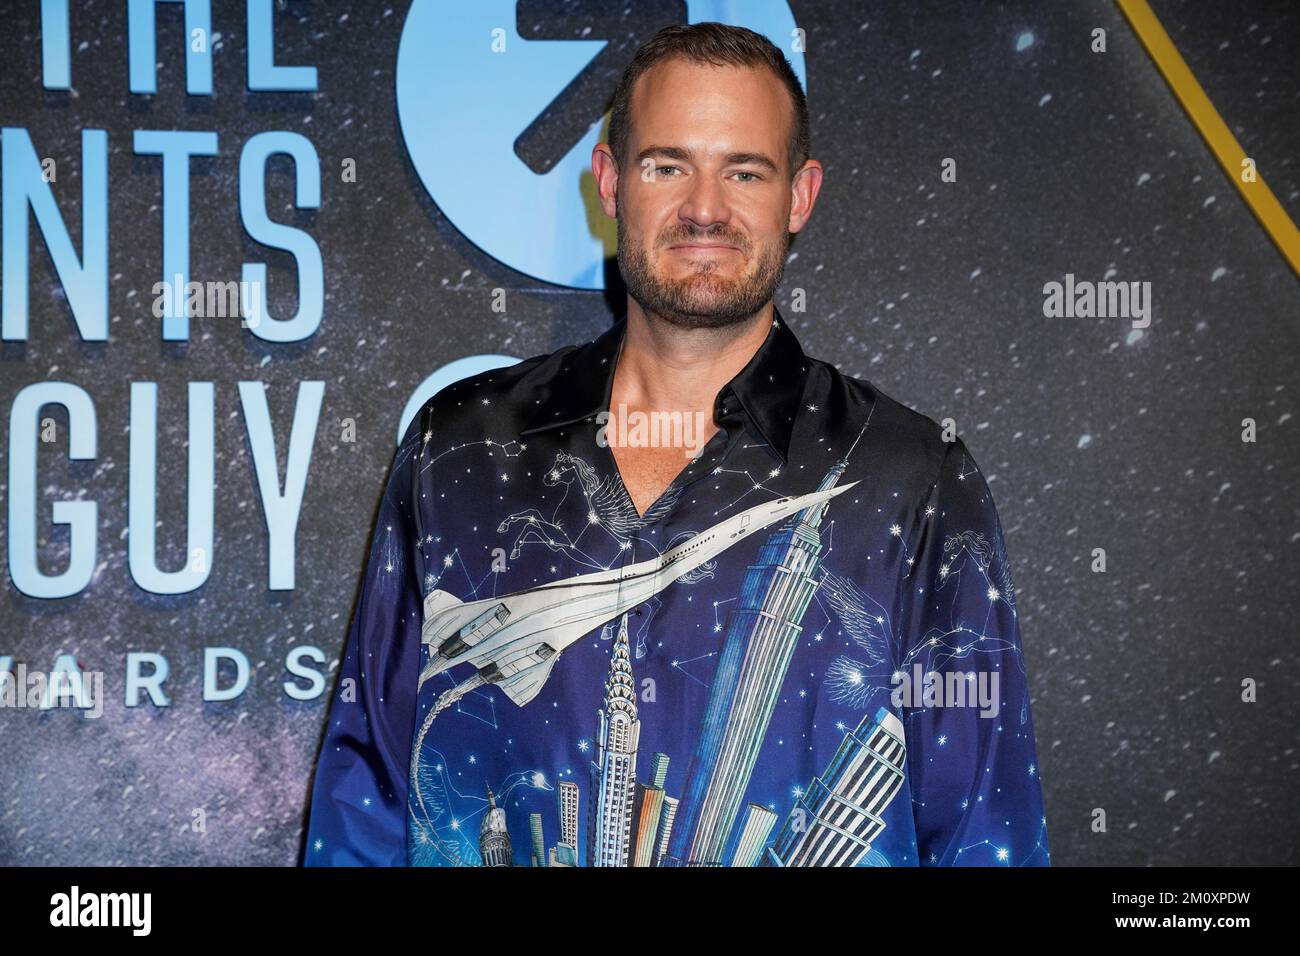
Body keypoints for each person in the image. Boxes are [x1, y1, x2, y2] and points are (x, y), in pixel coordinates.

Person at [304, 22, 1049, 867]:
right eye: (668, 165)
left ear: (799, 197)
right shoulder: (460, 447)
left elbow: (985, 830)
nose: (705, 208)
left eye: (744, 170)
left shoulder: (909, 480)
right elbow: (366, 796)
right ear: (610, 181)